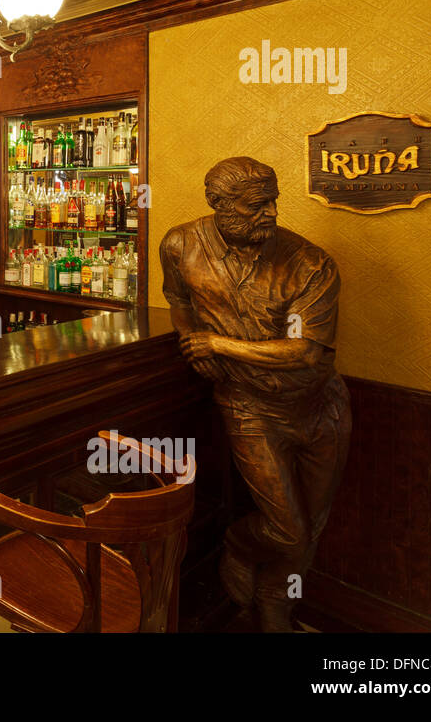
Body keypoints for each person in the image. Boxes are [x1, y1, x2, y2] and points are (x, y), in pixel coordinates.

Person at [159, 156, 351, 631]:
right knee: (288, 529)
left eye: (273, 202)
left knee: (312, 523)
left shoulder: (310, 263)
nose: (270, 213)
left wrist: (216, 343)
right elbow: (179, 299)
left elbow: (308, 354)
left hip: (321, 407)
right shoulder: (180, 245)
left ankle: (274, 609)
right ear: (217, 204)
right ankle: (239, 546)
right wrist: (190, 342)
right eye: (254, 206)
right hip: (249, 407)